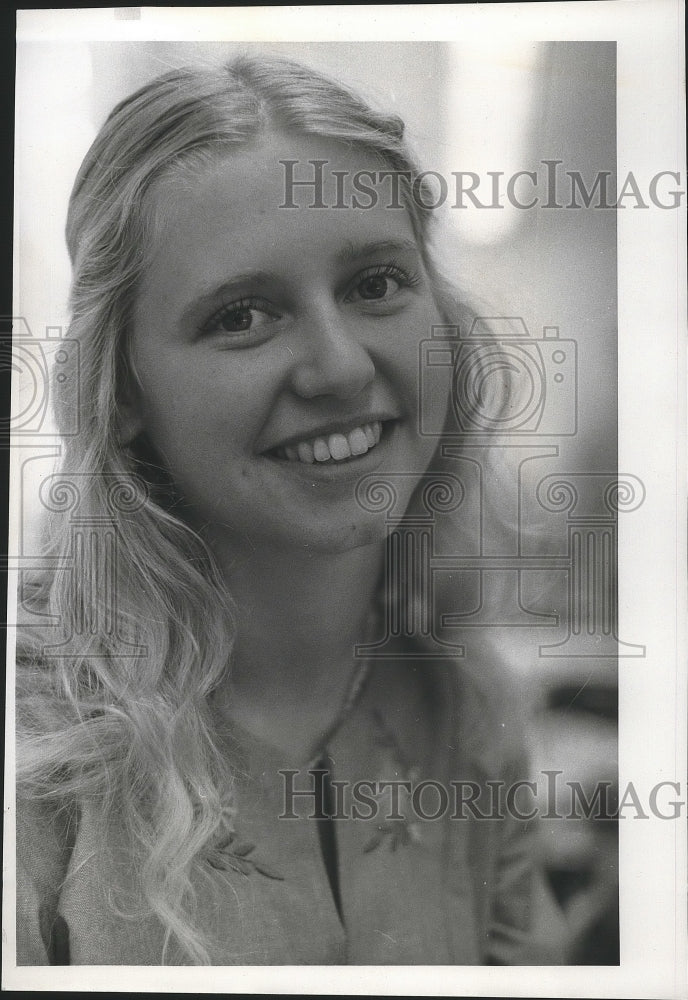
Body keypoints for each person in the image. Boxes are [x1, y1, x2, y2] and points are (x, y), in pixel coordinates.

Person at [15, 53, 567, 966]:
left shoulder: (464, 710)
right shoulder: (36, 755)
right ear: (121, 388)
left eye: (376, 284)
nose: (342, 367)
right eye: (242, 315)